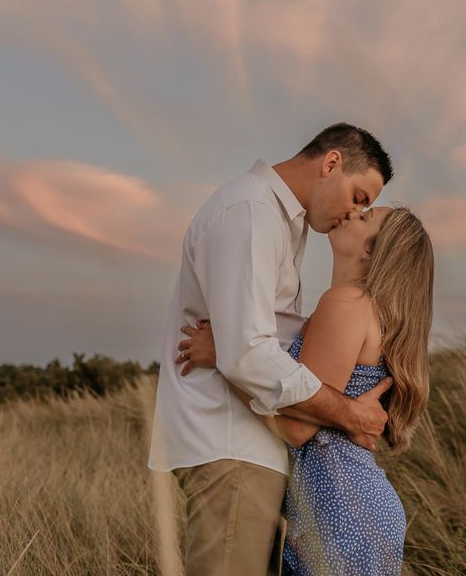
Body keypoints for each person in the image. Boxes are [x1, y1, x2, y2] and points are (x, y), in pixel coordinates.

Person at [148, 123, 395, 576]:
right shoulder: (251, 212)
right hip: (231, 444)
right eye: (359, 197)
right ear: (332, 162)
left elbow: (260, 341)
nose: (354, 212)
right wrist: (349, 414)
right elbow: (249, 353)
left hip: (251, 445)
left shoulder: (278, 221)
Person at [179, 205, 434, 575]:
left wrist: (224, 358)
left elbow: (296, 427)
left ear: (370, 251)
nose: (351, 212)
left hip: (343, 511)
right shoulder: (360, 309)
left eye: (365, 218)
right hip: (350, 508)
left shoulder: (347, 304)